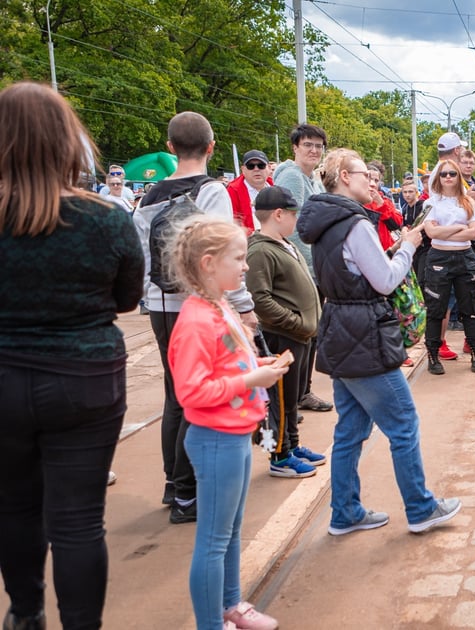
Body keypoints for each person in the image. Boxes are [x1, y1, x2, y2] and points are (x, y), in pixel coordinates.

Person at [0, 82, 143, 630]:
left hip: (6, 379)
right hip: (84, 379)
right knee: (79, 520)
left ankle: (26, 614)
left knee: (14, 506)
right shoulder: (105, 218)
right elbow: (128, 297)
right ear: (69, 143)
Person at [296, 148, 462, 536]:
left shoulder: (325, 221)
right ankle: (421, 508)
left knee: (350, 431)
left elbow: (353, 272)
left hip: (340, 326)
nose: (372, 181)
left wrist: (392, 250)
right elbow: (385, 281)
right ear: (341, 176)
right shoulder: (354, 223)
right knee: (403, 423)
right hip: (364, 333)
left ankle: (345, 512)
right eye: (363, 174)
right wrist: (409, 246)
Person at [166, 215, 286, 630]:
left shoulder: (217, 305)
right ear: (208, 263)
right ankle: (211, 623)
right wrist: (253, 378)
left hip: (231, 435)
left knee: (230, 533)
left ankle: (231, 605)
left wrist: (259, 364)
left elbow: (227, 364)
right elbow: (191, 393)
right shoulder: (197, 319)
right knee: (215, 541)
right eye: (238, 257)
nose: (246, 265)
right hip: (215, 438)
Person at [138, 111, 256, 525]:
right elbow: (226, 254)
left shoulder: (148, 197)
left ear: (170, 149)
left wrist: (149, 297)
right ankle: (190, 492)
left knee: (176, 395)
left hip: (160, 306)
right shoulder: (212, 192)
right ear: (211, 147)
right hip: (200, 306)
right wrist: (243, 306)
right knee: (202, 396)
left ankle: (174, 484)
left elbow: (141, 258)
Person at [245, 186, 325, 480]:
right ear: (278, 215)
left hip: (298, 336)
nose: (296, 220)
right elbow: (259, 298)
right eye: (293, 214)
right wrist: (294, 321)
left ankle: (292, 444)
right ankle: (279, 454)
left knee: (290, 399)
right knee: (278, 401)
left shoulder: (281, 243)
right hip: (283, 337)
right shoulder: (261, 250)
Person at [272, 124, 334, 414]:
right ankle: (291, 397)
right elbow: (290, 225)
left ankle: (301, 392)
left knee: (311, 334)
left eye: (319, 146)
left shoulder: (313, 179)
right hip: (299, 268)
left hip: (312, 267)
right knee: (298, 336)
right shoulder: (293, 177)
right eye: (308, 145)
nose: (314, 150)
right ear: (295, 147)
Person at [420, 159, 475, 373]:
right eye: (443, 174)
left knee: (470, 308)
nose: (448, 177)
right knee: (436, 309)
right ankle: (432, 355)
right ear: (437, 178)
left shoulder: (468, 202)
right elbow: (431, 233)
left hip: (465, 258)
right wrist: (459, 227)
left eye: (452, 173)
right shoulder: (431, 203)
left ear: (458, 177)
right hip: (439, 258)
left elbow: (474, 232)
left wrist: (446, 230)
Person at [227, 150, 272, 237]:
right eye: (250, 166)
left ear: (269, 168)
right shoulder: (233, 191)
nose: (256, 169)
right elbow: (232, 224)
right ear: (243, 169)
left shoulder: (277, 187)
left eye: (261, 166)